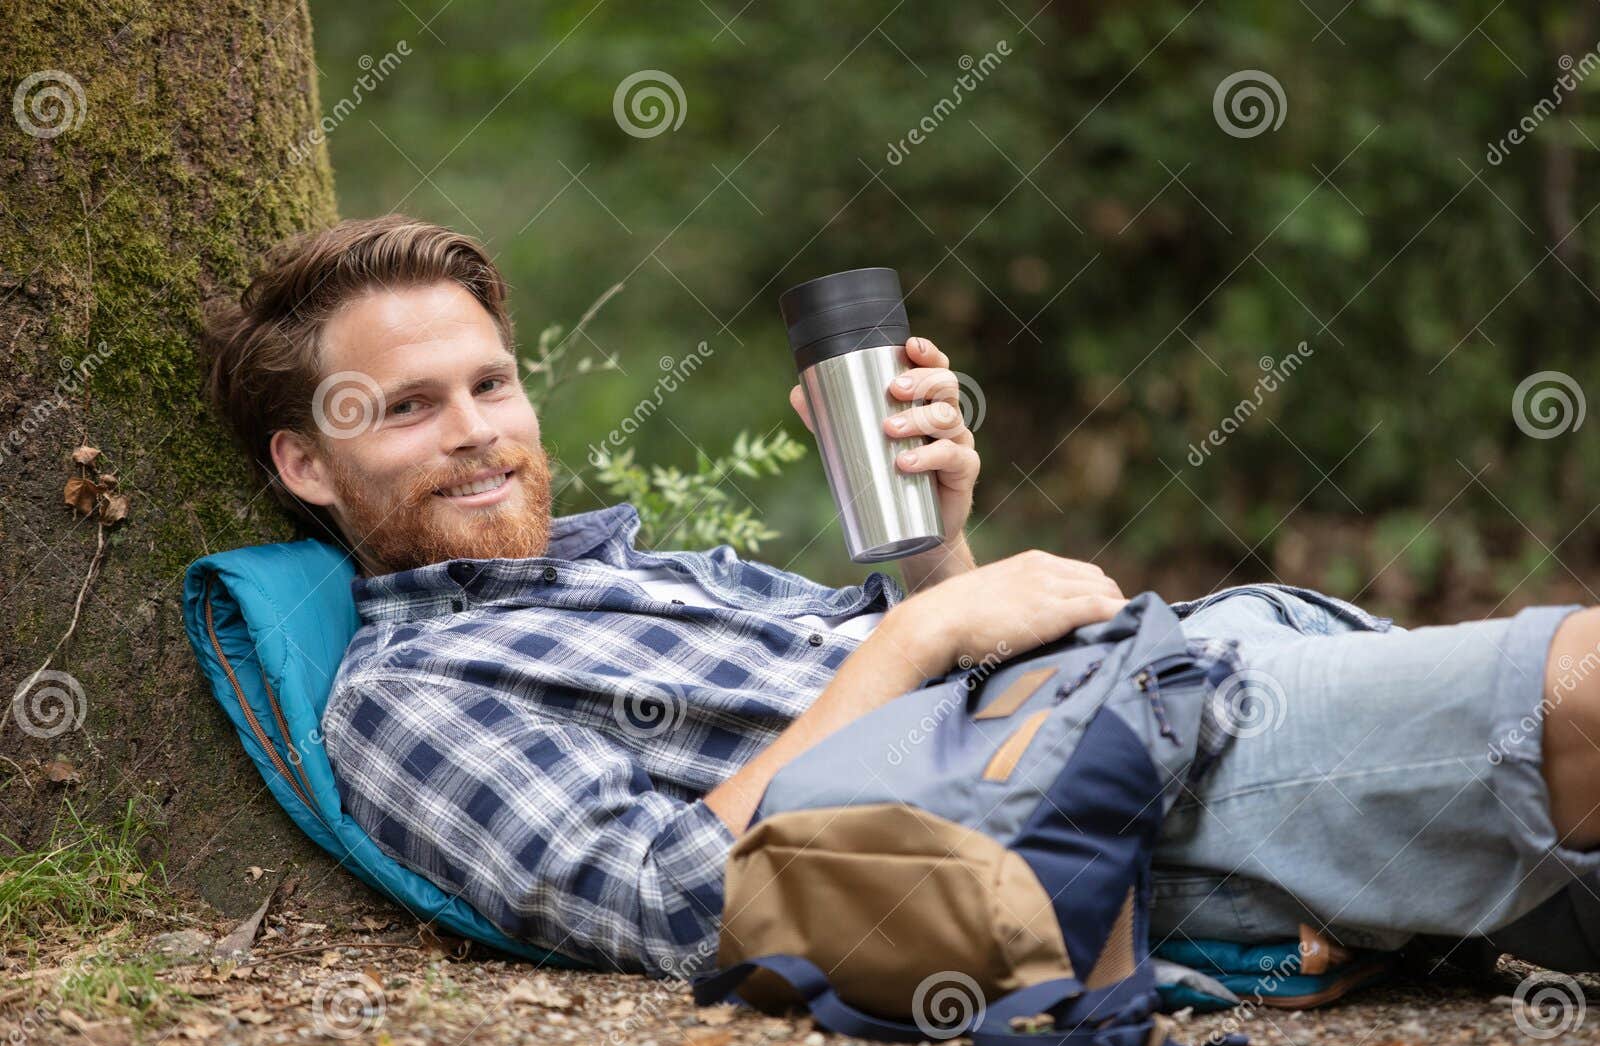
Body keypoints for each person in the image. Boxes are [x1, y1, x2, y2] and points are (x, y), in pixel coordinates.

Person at [203, 215, 1600, 980]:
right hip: (1170, 789)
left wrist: (934, 552)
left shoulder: (626, 572)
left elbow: (931, 704)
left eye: (489, 383)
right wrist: (921, 625)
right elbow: (682, 896)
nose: (475, 431)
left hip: (1188, 673)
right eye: (403, 408)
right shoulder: (409, 696)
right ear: (304, 463)